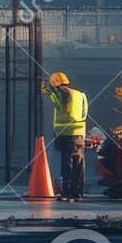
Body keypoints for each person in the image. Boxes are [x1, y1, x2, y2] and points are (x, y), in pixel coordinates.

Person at [43, 71, 88, 201]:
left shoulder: (62, 93)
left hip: (66, 134)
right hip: (79, 134)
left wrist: (45, 87)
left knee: (66, 164)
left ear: (56, 84)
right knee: (79, 164)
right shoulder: (80, 95)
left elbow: (53, 96)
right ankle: (78, 192)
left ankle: (67, 192)